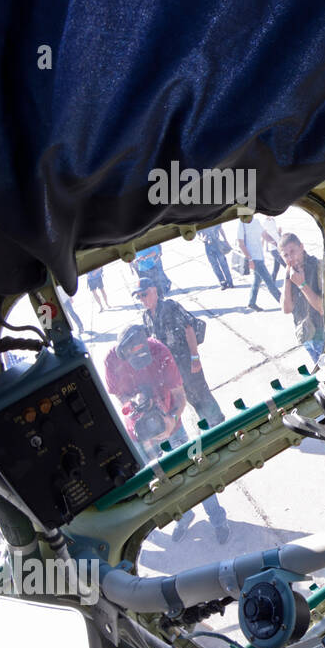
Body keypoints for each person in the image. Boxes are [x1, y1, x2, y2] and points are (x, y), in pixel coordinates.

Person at [104, 325, 229, 542]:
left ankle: (217, 518)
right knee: (159, 482)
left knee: (194, 469)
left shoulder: (159, 351)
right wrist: (134, 403)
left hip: (171, 423)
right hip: (139, 433)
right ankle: (183, 516)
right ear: (123, 353)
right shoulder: (111, 360)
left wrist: (171, 419)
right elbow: (119, 396)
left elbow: (179, 395)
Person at [135, 276, 225, 428]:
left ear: (154, 291)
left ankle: (220, 425)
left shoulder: (170, 306)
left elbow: (189, 328)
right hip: (171, 369)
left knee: (202, 394)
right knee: (190, 398)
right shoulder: (146, 317)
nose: (142, 299)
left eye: (144, 294)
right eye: (139, 296)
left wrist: (195, 357)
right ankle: (210, 426)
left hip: (186, 361)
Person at [279, 233, 325, 362]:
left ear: (301, 247)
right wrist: (287, 279)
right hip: (305, 337)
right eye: (285, 255)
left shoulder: (318, 266)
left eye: (292, 251)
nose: (290, 258)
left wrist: (302, 284)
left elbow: (323, 308)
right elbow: (286, 309)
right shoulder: (291, 273)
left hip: (323, 336)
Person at [236, 215, 281, 310]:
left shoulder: (256, 221)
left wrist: (275, 242)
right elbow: (241, 244)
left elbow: (264, 234)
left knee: (257, 280)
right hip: (253, 258)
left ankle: (251, 302)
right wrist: (250, 259)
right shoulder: (242, 224)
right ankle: (284, 302)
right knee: (269, 281)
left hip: (260, 256)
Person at [199, 226, 234, 290]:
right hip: (208, 246)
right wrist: (202, 239)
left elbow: (220, 229)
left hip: (217, 244)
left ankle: (230, 282)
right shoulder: (199, 223)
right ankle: (223, 283)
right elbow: (199, 234)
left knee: (223, 264)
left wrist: (226, 240)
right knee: (215, 266)